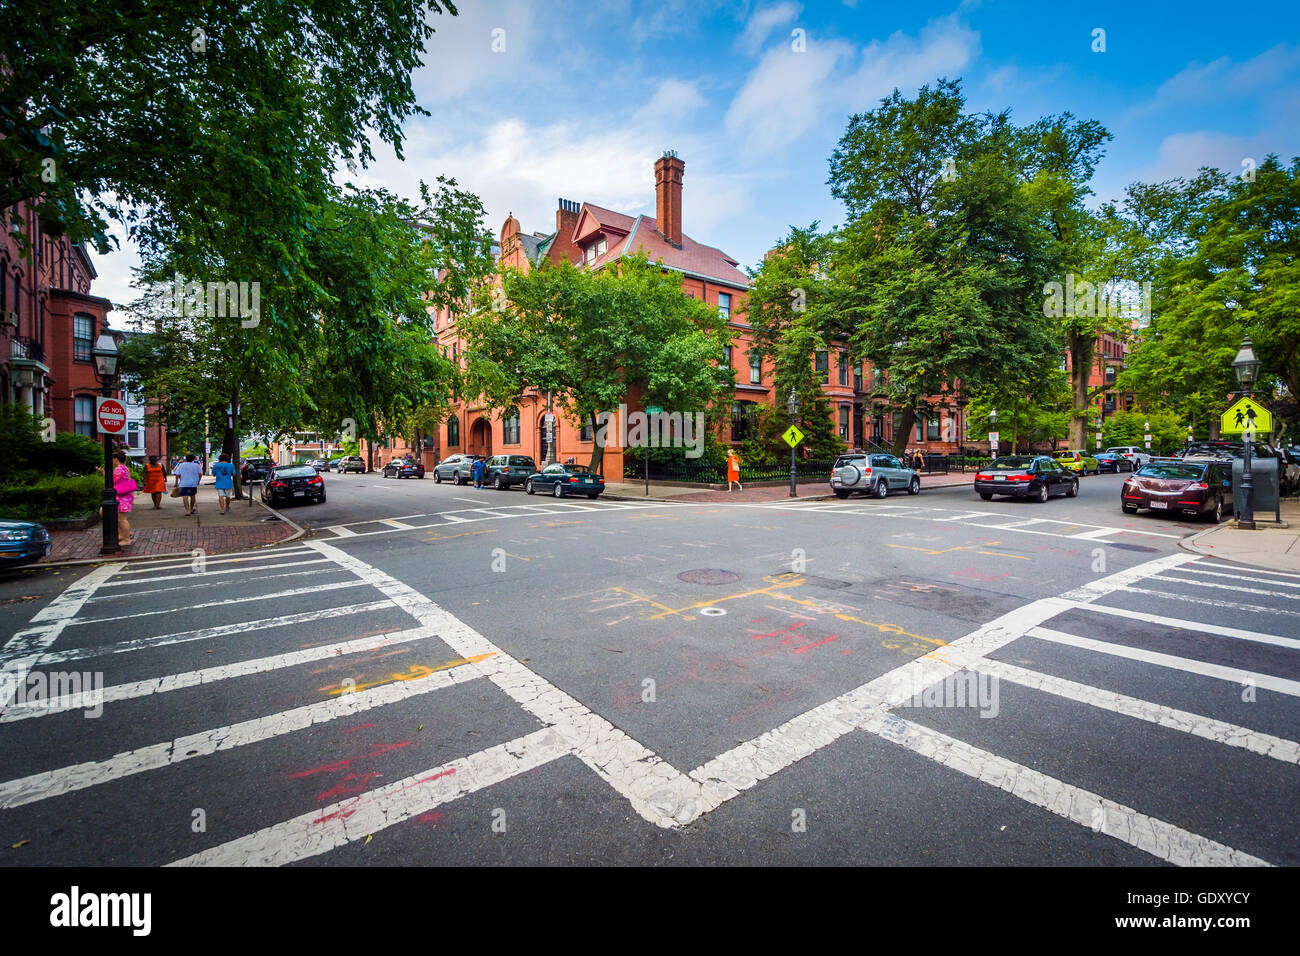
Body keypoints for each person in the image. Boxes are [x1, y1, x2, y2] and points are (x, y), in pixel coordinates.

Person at [112, 451, 137, 546]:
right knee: (119, 518)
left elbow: (112, 481)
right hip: (126, 496)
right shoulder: (125, 468)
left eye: (113, 459)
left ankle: (126, 539)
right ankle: (123, 535)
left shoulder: (118, 469)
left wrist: (104, 474)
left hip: (121, 497)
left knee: (121, 519)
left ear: (116, 459)